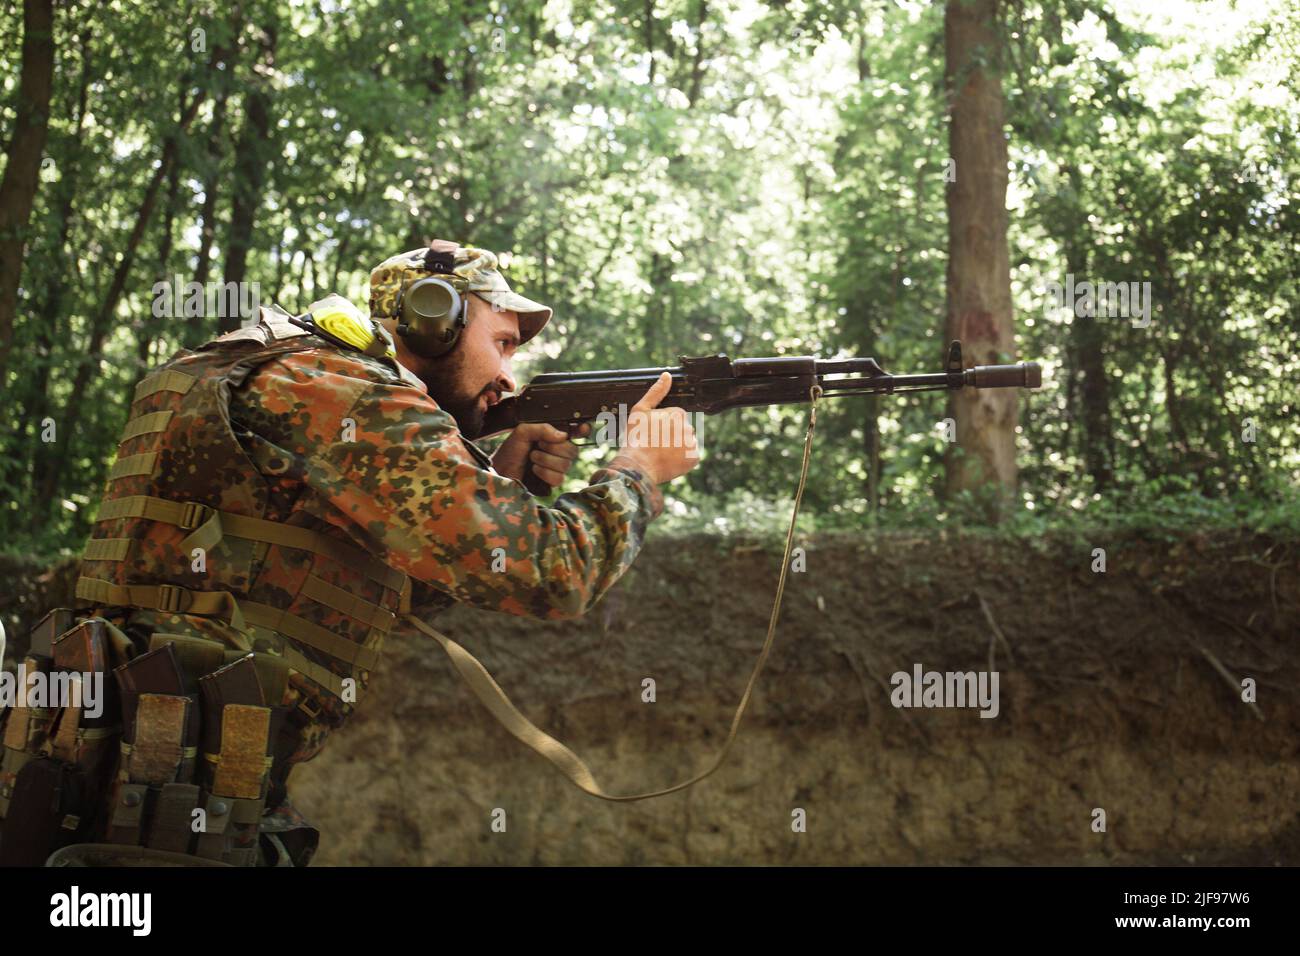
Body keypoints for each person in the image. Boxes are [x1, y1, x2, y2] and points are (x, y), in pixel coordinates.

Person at [0, 240, 697, 866]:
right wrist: (637, 472)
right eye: (506, 343)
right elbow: (553, 570)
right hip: (156, 804)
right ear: (437, 320)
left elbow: (325, 588)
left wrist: (502, 486)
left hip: (96, 777)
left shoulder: (263, 366)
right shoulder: (350, 393)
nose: (510, 379)